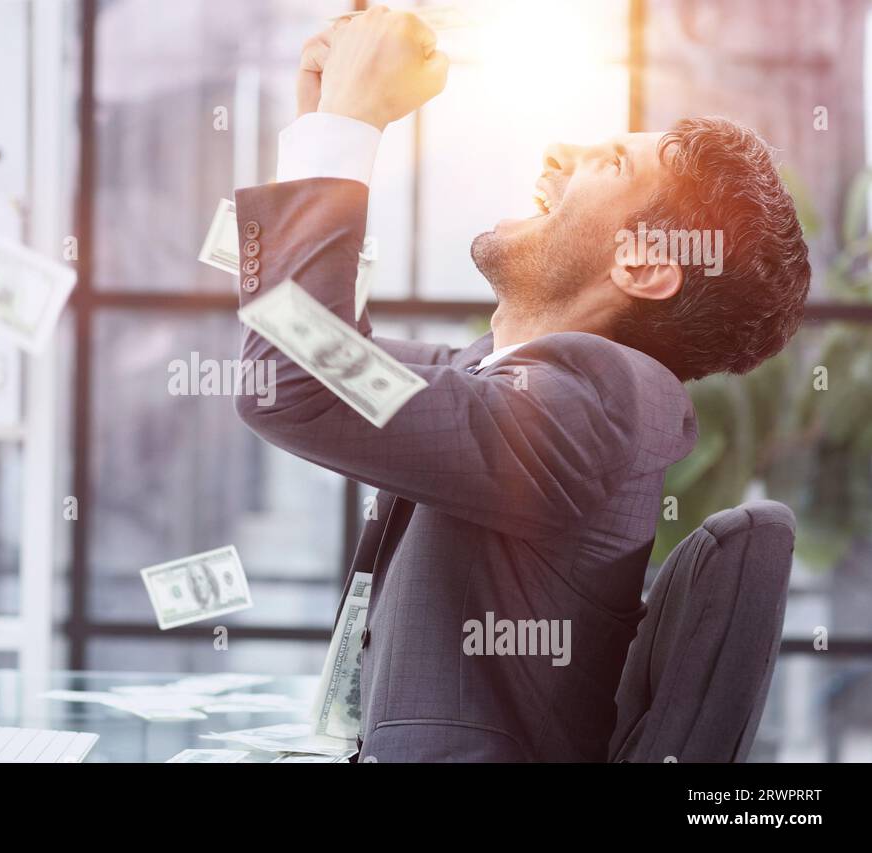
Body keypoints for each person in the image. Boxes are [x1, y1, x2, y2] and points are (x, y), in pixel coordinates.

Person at [233, 7, 810, 761]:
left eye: (609, 164)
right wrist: (322, 121)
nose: (558, 150)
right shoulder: (504, 379)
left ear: (643, 265)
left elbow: (292, 380)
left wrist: (350, 121)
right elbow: (325, 354)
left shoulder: (604, 405)